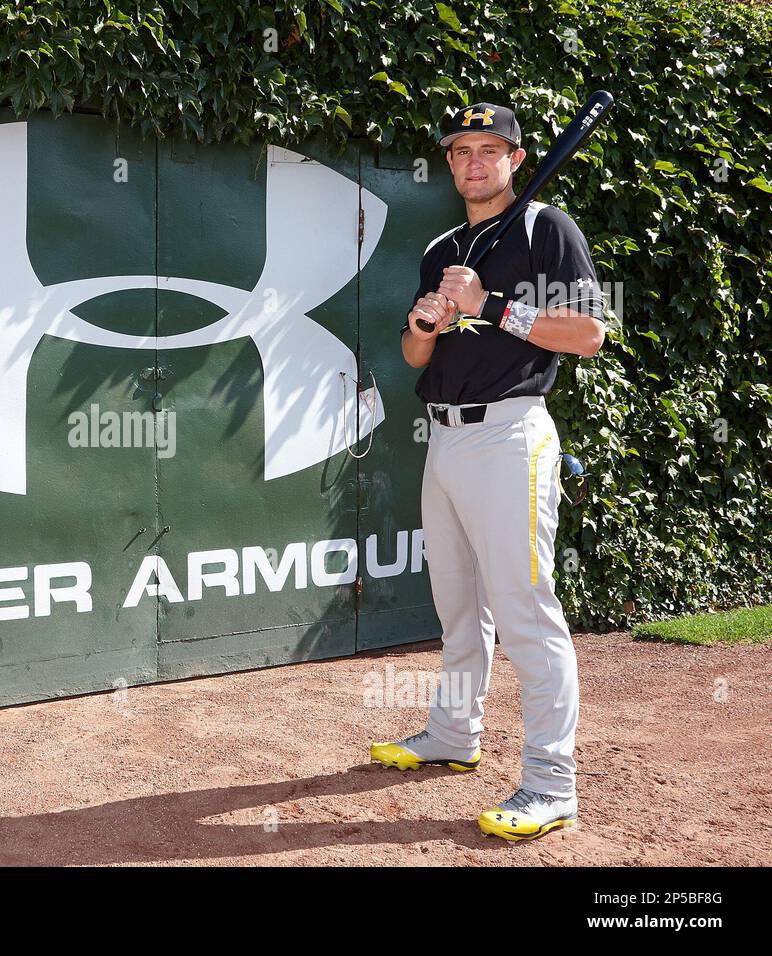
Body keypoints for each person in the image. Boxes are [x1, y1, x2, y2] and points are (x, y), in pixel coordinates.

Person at [369, 102, 607, 841]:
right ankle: (453, 733)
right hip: (444, 441)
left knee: (527, 613)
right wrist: (424, 325)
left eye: (489, 149)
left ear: (515, 157)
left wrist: (493, 305)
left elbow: (590, 335)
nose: (474, 161)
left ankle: (549, 781)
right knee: (459, 607)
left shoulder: (546, 228)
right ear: (450, 163)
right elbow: (416, 360)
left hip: (511, 437)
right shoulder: (445, 244)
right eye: (461, 150)